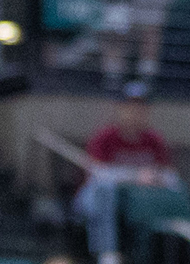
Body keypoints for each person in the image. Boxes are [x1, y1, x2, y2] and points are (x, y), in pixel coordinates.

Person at [74, 99, 178, 264]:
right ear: (120, 110)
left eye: (140, 110)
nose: (134, 115)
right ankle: (108, 254)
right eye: (130, 109)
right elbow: (98, 175)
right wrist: (136, 176)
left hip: (134, 202)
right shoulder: (105, 137)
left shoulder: (154, 140)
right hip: (93, 199)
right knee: (104, 190)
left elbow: (172, 178)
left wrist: (155, 177)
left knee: (169, 195)